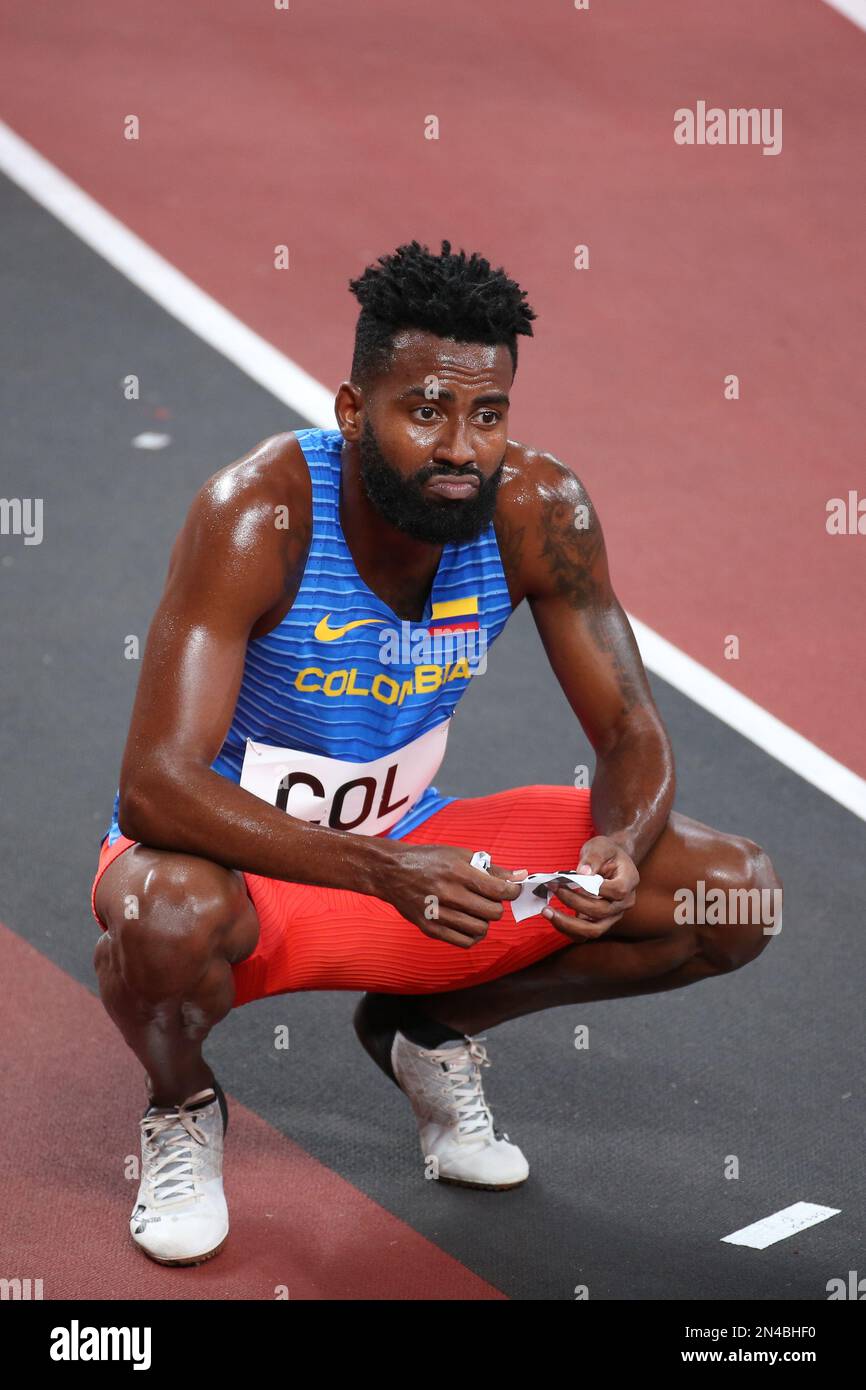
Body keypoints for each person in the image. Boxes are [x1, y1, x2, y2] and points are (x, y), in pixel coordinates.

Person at [90, 239, 782, 1266]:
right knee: (159, 916)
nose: (460, 446)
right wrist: (378, 871)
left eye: (487, 413)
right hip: (246, 868)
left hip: (415, 847)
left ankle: (425, 1028)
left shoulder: (539, 512)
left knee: (728, 895)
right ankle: (183, 1106)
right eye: (424, 410)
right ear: (350, 409)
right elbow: (153, 786)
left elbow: (629, 727)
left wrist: (622, 845)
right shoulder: (257, 516)